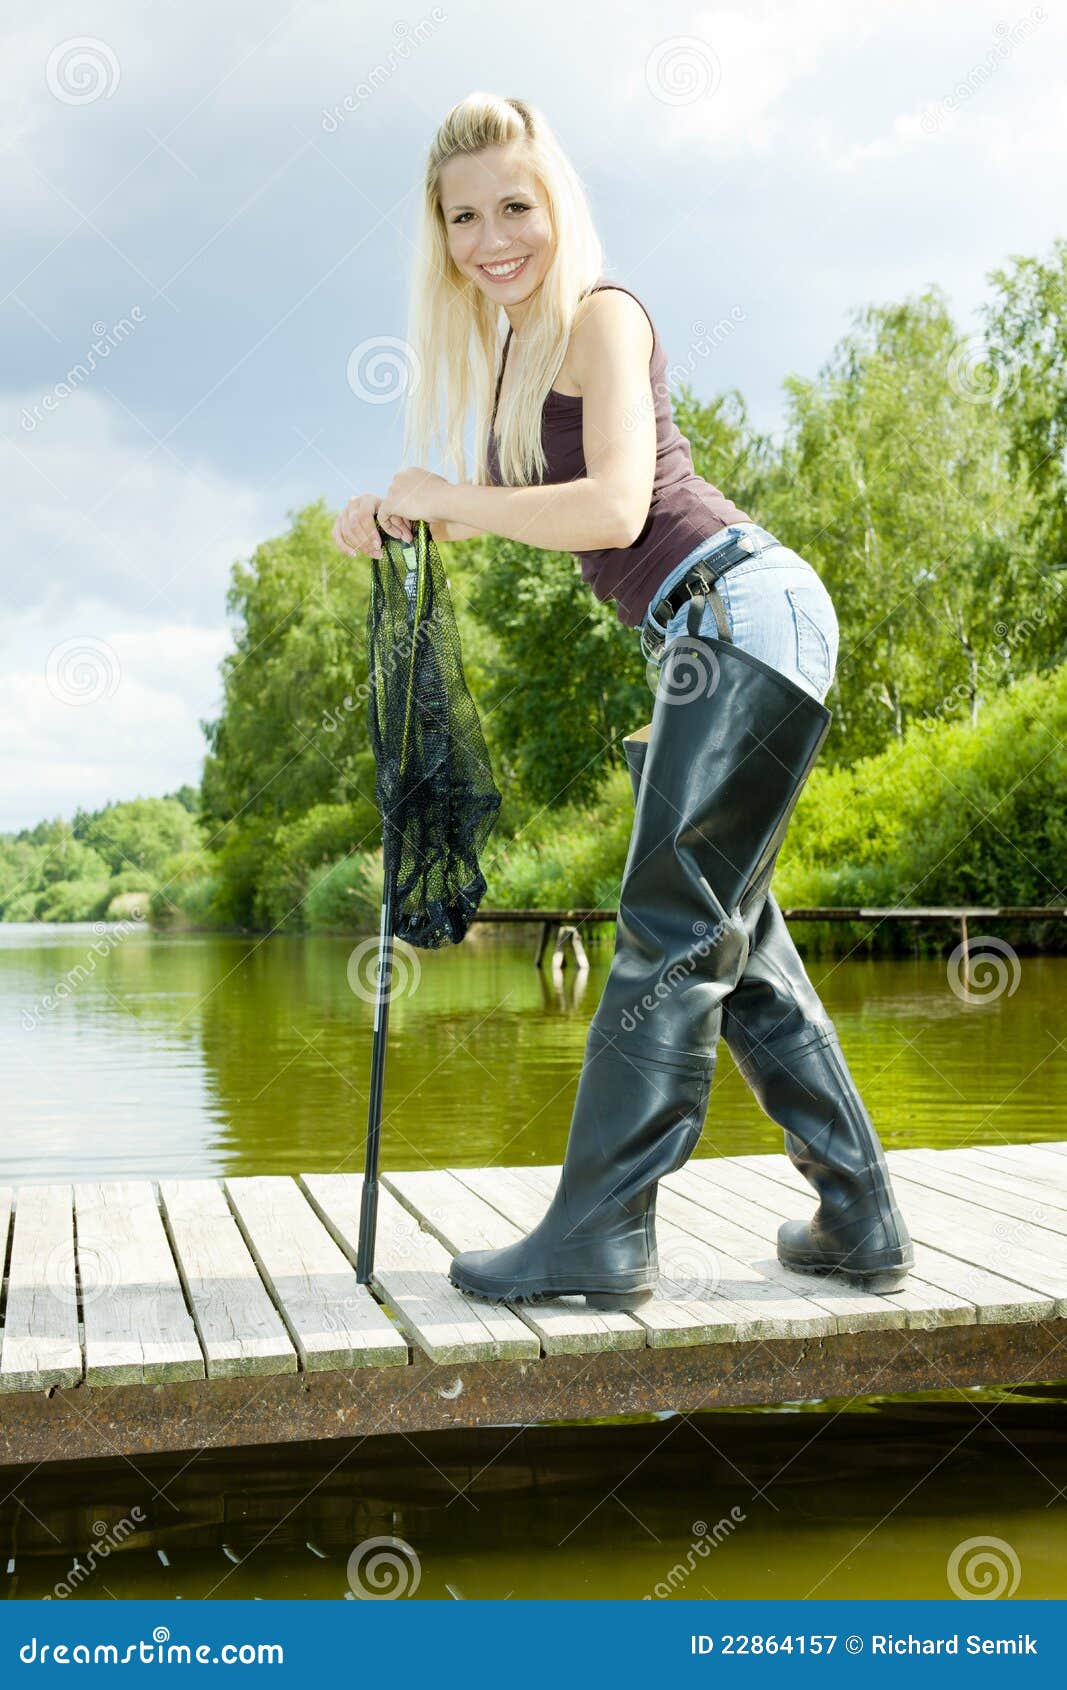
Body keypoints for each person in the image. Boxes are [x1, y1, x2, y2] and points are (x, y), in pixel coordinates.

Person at [332, 91, 913, 1310]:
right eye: (463, 217)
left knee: (665, 925)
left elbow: (607, 510)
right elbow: (523, 513)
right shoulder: (504, 353)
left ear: (557, 206)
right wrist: (391, 509)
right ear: (439, 238)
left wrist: (446, 497)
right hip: (693, 642)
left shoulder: (602, 313)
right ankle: (856, 1215)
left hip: (744, 608)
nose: (493, 235)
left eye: (514, 205)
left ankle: (600, 1233)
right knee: (732, 941)